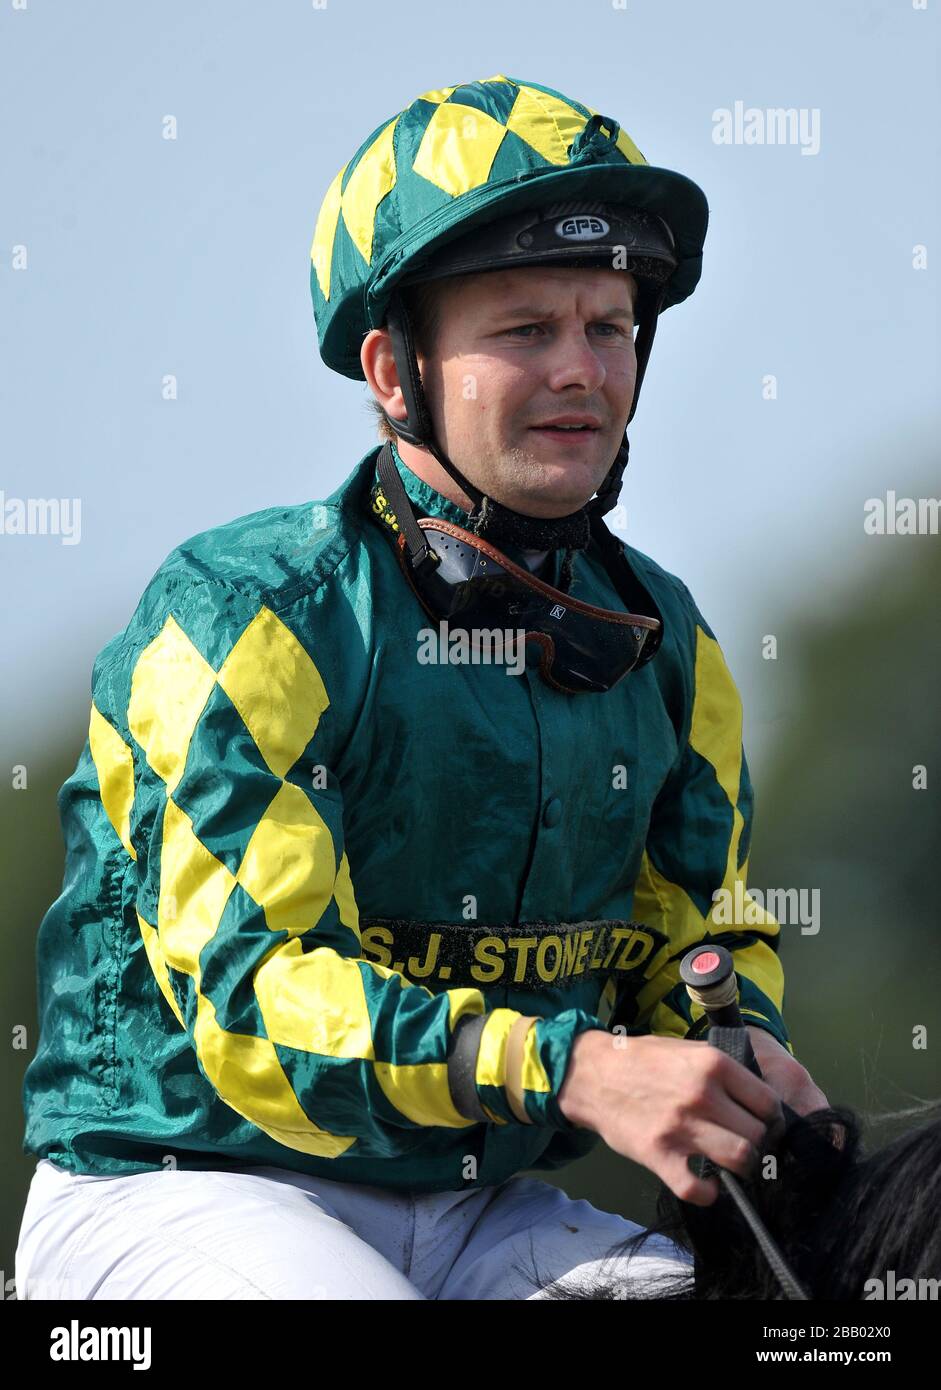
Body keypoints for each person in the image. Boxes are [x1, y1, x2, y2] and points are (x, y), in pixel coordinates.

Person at [16, 73, 827, 1301]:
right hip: (184, 1185)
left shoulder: (669, 642)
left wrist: (736, 1047)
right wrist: (572, 1070)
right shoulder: (242, 612)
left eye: (607, 326)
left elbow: (692, 935)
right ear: (395, 370)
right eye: (524, 331)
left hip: (474, 1206)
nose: (581, 372)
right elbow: (253, 1002)